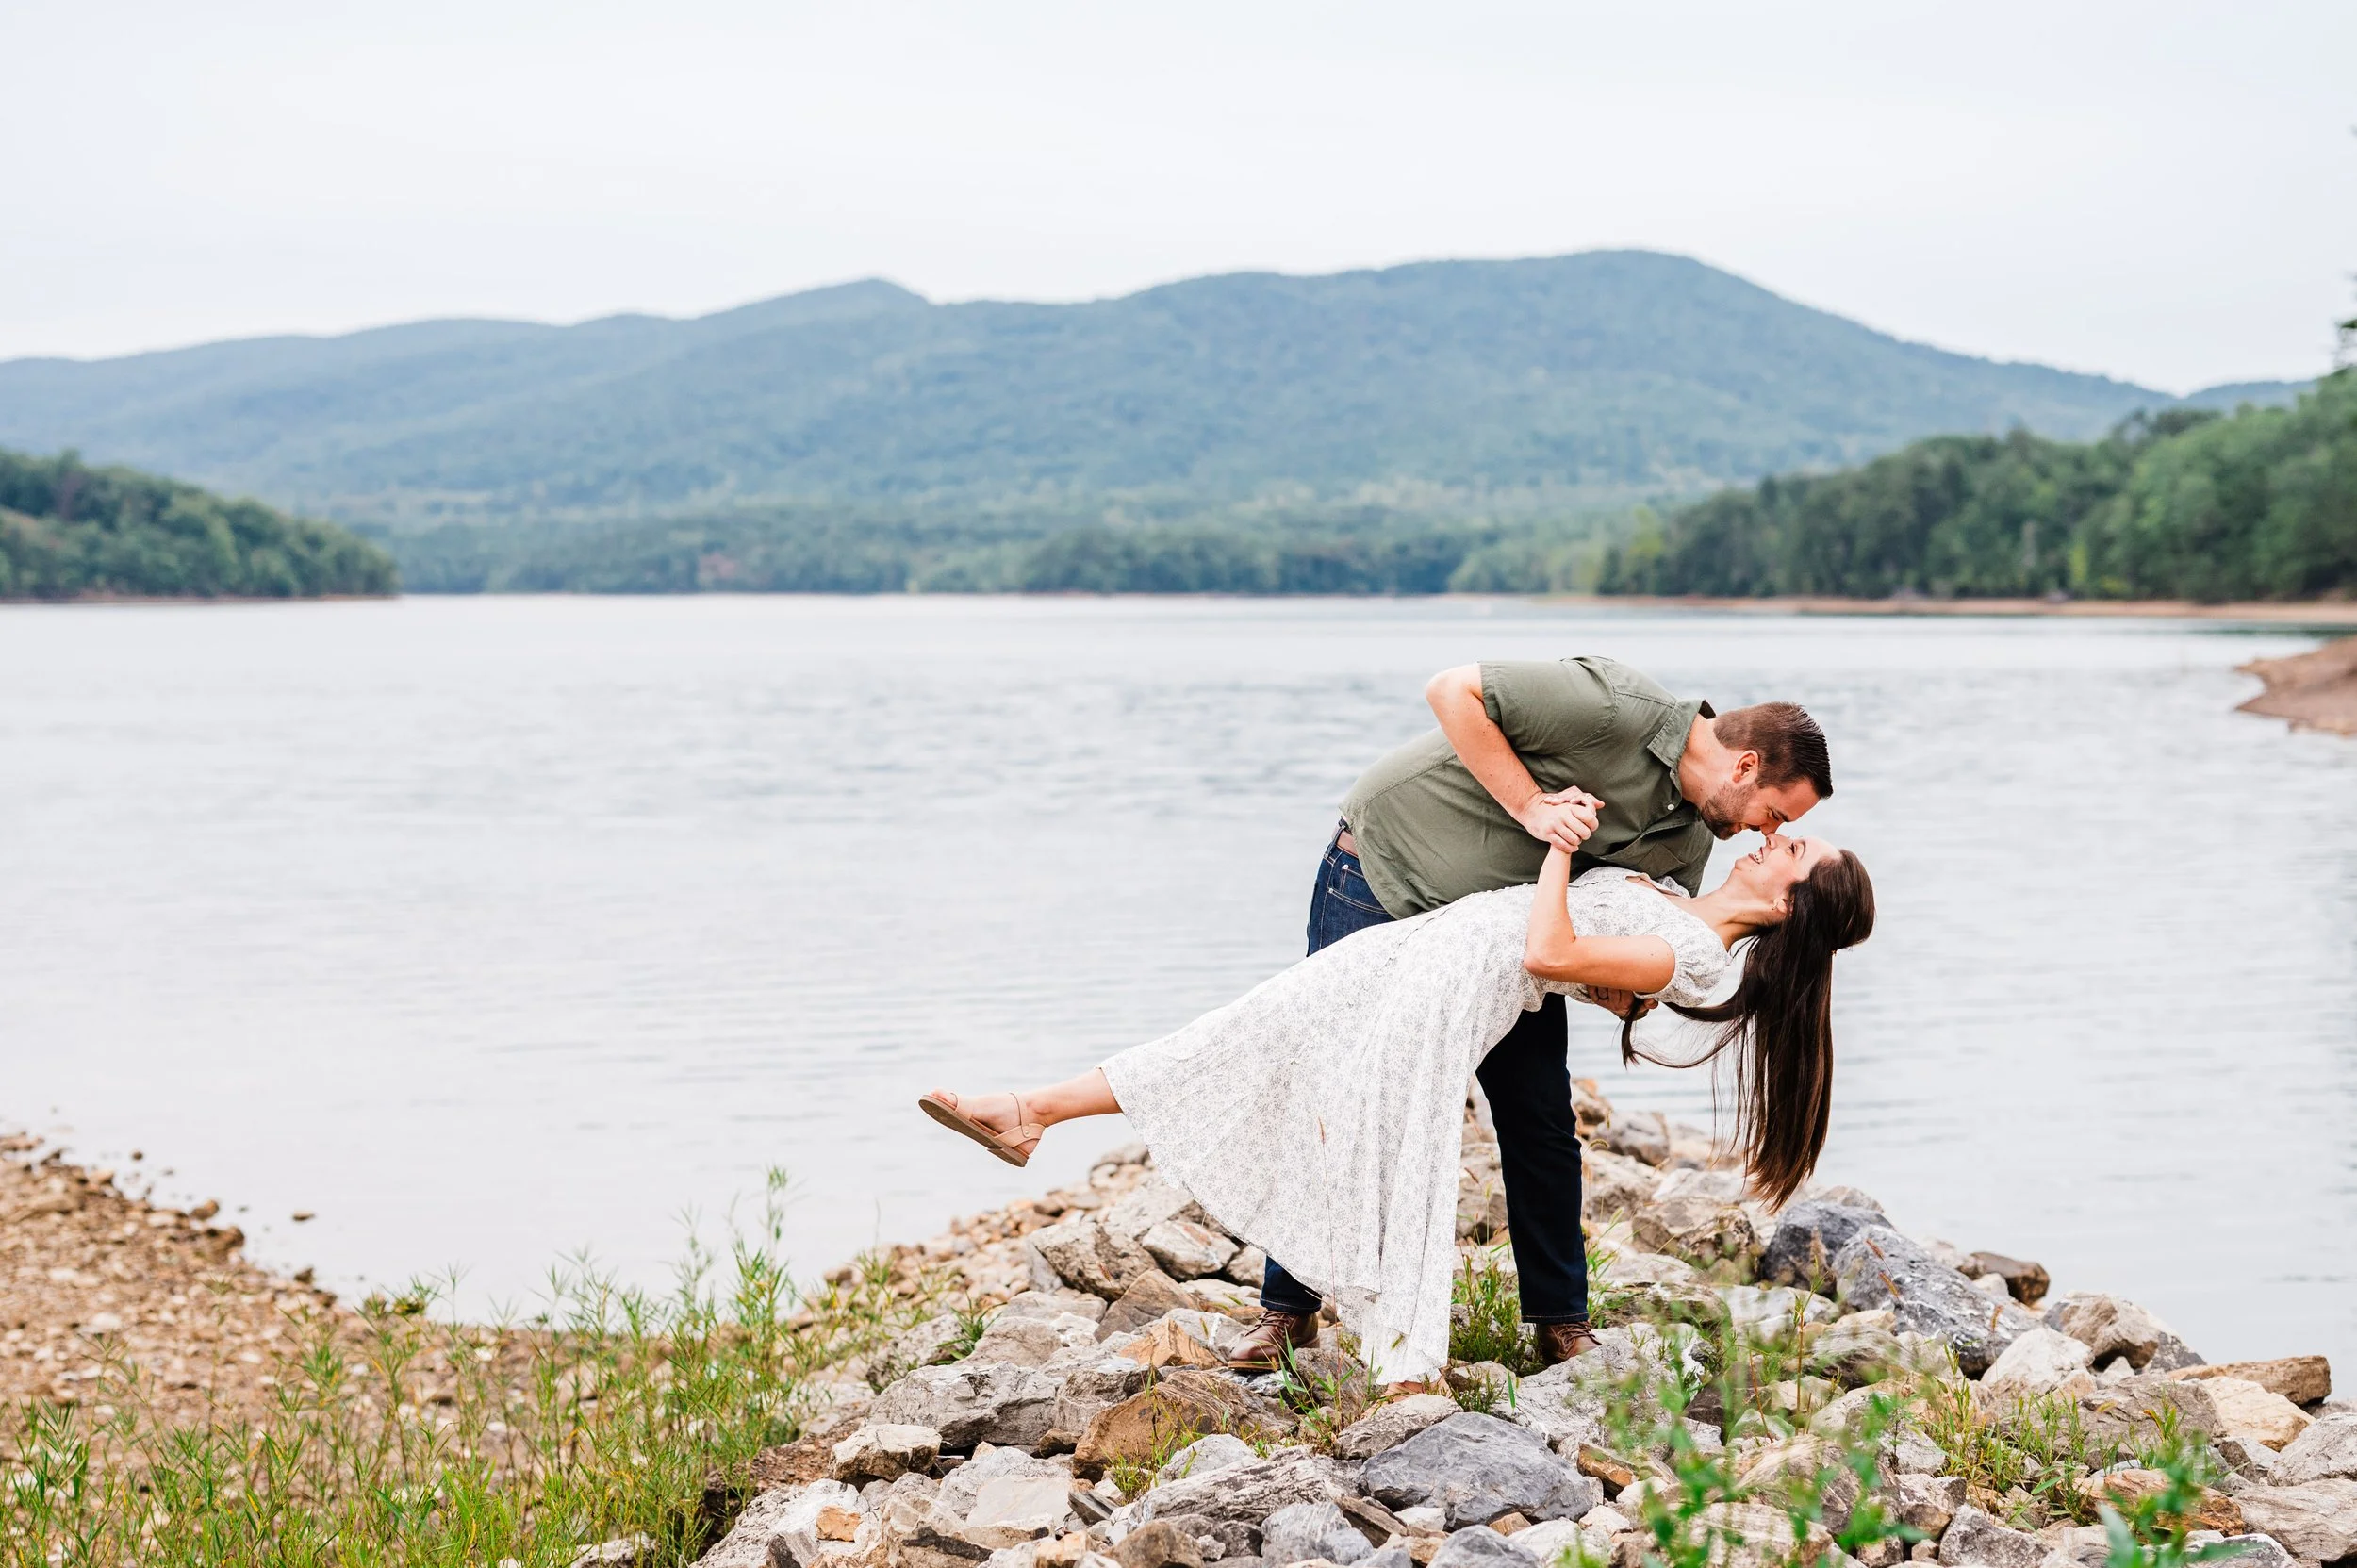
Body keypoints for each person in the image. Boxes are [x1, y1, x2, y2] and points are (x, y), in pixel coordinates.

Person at [918, 656, 1841, 1369]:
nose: (1761, 832)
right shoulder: (1612, 704)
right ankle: (1289, 1309)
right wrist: (1532, 811)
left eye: (1778, 832)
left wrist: (1620, 983)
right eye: (1769, 811)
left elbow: (1611, 944)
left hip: (1489, 956)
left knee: (1538, 1122)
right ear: (1747, 762)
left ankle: (1559, 1325)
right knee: (1318, 1078)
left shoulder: (1689, 838)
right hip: (1382, 876)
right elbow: (1450, 689)